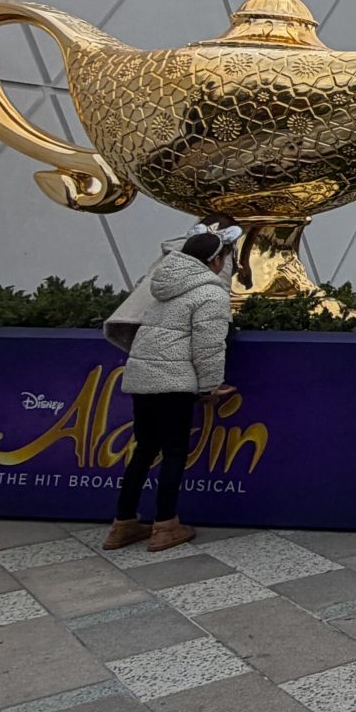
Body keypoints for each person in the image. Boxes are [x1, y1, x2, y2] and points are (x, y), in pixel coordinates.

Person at [101, 230, 239, 554]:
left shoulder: (163, 285)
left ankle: (122, 525)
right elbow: (208, 346)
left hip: (142, 378)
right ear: (215, 260)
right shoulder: (210, 293)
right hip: (173, 382)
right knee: (175, 452)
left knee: (144, 449)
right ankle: (165, 525)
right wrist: (210, 387)